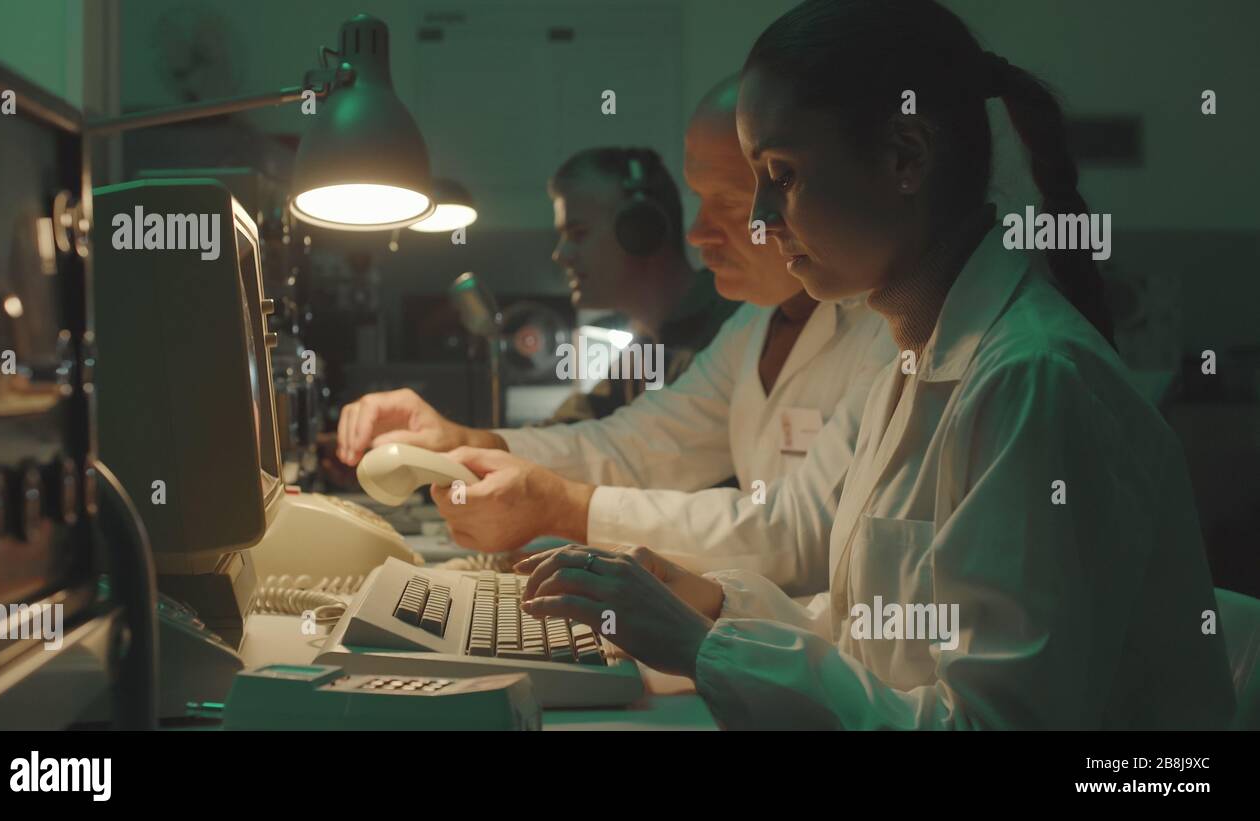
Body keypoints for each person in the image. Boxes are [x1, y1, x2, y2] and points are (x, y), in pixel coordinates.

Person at [514, 0, 1235, 730]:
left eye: (781, 174)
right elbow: (883, 632)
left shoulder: (1032, 379)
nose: (760, 218)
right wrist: (711, 600)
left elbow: (988, 724)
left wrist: (703, 646)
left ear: (904, 157)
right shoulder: (915, 354)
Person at [336, 76, 895, 593]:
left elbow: (799, 535)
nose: (699, 233)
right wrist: (463, 441)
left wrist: (565, 508)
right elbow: (630, 447)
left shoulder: (891, 330)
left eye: (725, 200)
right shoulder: (754, 323)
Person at [541, 147, 737, 424]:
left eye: (578, 233)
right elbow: (579, 424)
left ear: (641, 230)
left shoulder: (733, 327)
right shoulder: (643, 349)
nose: (561, 254)